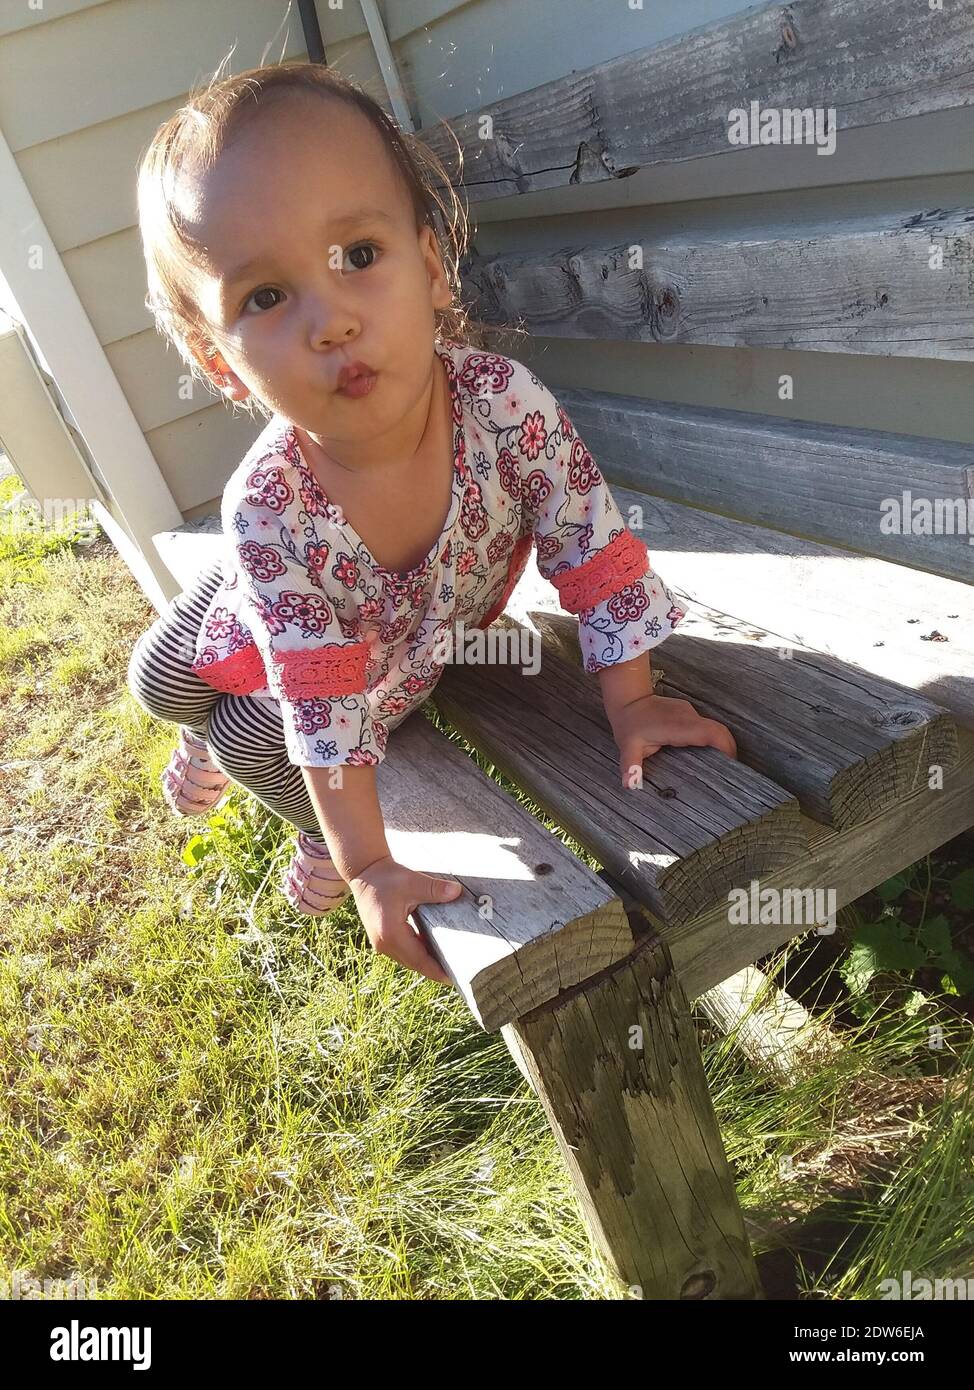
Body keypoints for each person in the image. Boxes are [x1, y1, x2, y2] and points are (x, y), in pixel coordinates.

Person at [127, 61, 737, 984]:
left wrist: (363, 859)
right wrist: (382, 866)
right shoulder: (266, 506)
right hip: (292, 587)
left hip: (375, 655)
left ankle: (301, 822)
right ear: (220, 363)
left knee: (254, 732)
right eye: (266, 297)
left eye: (358, 257)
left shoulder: (506, 408)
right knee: (157, 679)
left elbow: (593, 555)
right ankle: (200, 708)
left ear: (431, 265)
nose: (330, 321)